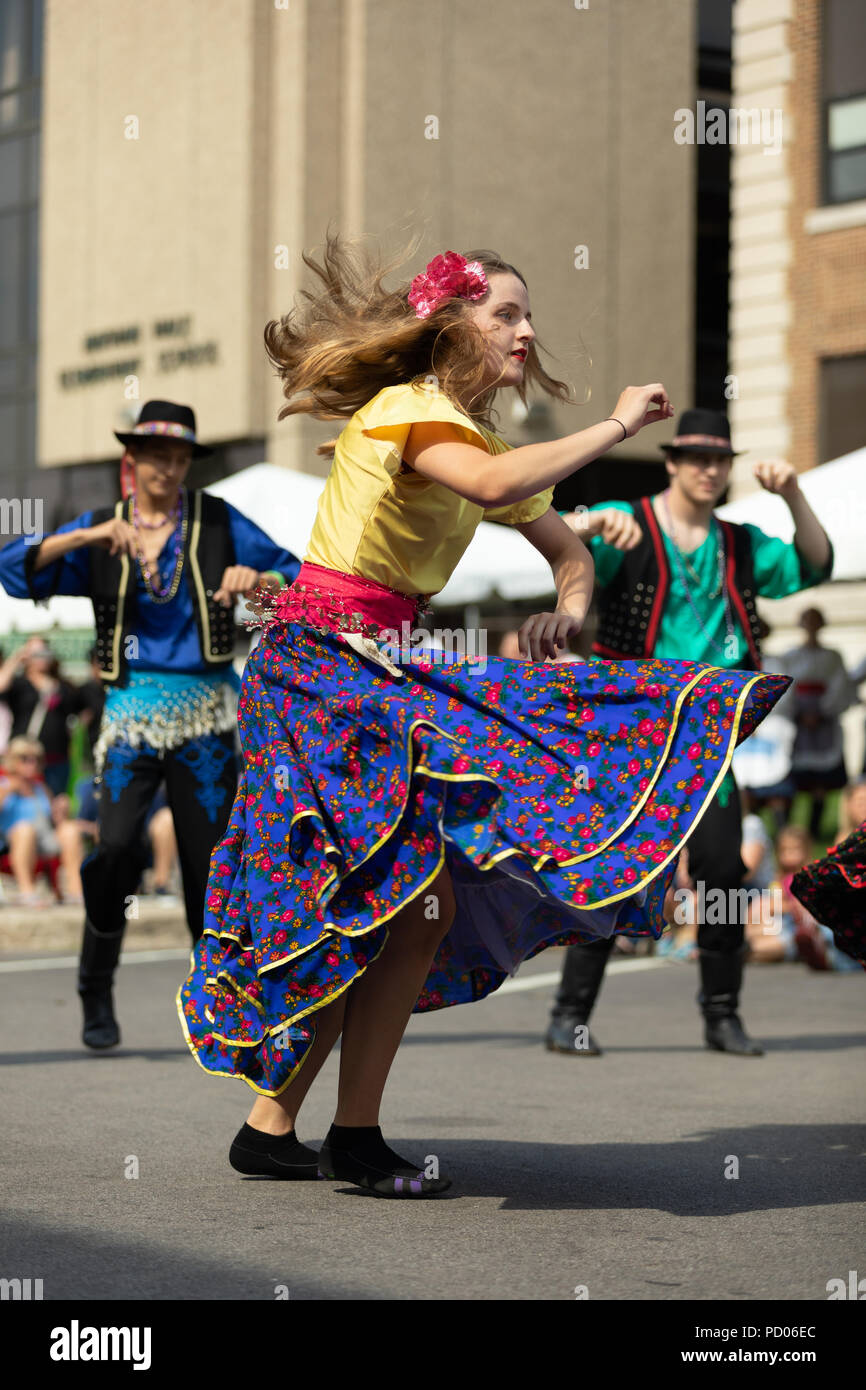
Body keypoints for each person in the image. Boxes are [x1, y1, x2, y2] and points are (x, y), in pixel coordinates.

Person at [177, 239, 789, 1198]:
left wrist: (571, 612)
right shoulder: (411, 409)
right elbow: (500, 491)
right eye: (506, 313)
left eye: (527, 315)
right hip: (320, 668)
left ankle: (274, 1125)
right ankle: (355, 1136)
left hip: (380, 669)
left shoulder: (474, 436)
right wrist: (619, 424)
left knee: (387, 906)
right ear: (452, 323)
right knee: (406, 903)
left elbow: (570, 557)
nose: (527, 330)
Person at [0, 399, 301, 1048]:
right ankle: (95, 988)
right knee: (113, 851)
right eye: (156, 456)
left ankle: (221, 998)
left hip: (207, 717)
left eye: (180, 458)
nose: (168, 468)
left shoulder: (218, 522)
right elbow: (12, 572)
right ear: (130, 461)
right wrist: (82, 538)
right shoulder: (102, 529)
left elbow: (294, 572)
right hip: (131, 717)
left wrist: (260, 577)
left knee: (210, 863)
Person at [546, 410, 834, 1058]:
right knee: (614, 868)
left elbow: (815, 565)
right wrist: (588, 524)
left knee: (722, 873)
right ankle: (569, 1014)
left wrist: (793, 492)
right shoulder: (629, 521)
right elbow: (557, 555)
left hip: (710, 733)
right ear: (672, 463)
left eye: (719, 460)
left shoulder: (740, 542)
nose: (709, 469)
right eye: (696, 458)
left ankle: (722, 1015)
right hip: (635, 730)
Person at [782, 607, 854, 840]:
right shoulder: (790, 656)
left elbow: (839, 685)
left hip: (824, 721)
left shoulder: (832, 656)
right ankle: (789, 830)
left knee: (821, 782)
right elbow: (786, 687)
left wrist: (822, 710)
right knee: (792, 776)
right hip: (799, 721)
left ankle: (814, 829)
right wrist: (798, 712)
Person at [0, 736, 85, 905]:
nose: (31, 763)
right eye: (24, 758)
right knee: (25, 830)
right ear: (13, 760)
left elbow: (53, 822)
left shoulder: (41, 788)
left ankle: (77, 892)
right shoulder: (4, 784)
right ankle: (27, 892)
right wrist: (8, 791)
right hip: (12, 842)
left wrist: (60, 811)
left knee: (70, 830)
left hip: (43, 840)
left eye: (36, 759)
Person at [0, 637, 87, 797]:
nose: (41, 657)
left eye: (44, 652)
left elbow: (79, 712)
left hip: (56, 758)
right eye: (36, 653)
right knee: (22, 801)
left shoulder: (62, 686)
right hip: (25, 758)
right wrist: (16, 659)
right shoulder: (19, 683)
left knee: (54, 802)